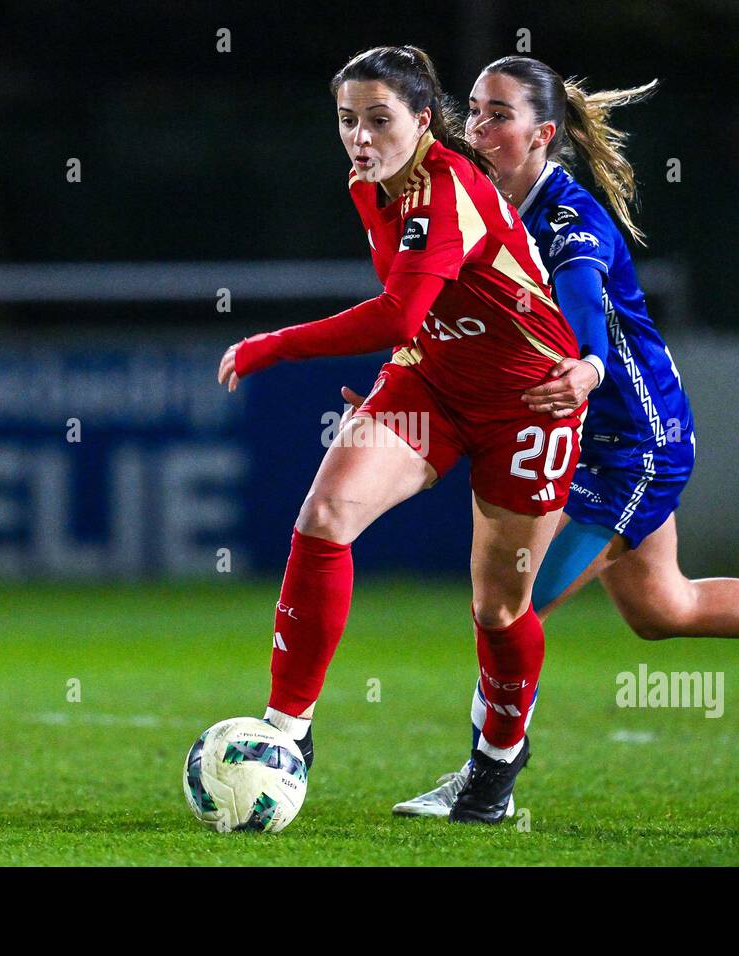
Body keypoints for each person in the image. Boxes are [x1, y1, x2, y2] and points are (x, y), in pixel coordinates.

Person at [387, 56, 739, 819]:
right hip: (588, 434)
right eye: (473, 110)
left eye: (499, 115)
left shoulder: (568, 220)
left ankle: (488, 784)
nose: (478, 128)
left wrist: (585, 365)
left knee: (513, 605)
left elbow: (580, 308)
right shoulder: (481, 208)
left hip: (632, 445)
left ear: (544, 135)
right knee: (662, 609)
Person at [218, 46, 592, 823]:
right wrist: (404, 369)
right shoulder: (371, 184)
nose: (359, 136)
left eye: (378, 119)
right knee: (323, 518)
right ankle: (288, 731)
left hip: (532, 400)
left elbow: (397, 311)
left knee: (497, 609)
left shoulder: (447, 187)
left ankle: (494, 769)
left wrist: (270, 345)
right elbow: (416, 311)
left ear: (423, 122)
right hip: (430, 381)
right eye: (347, 119)